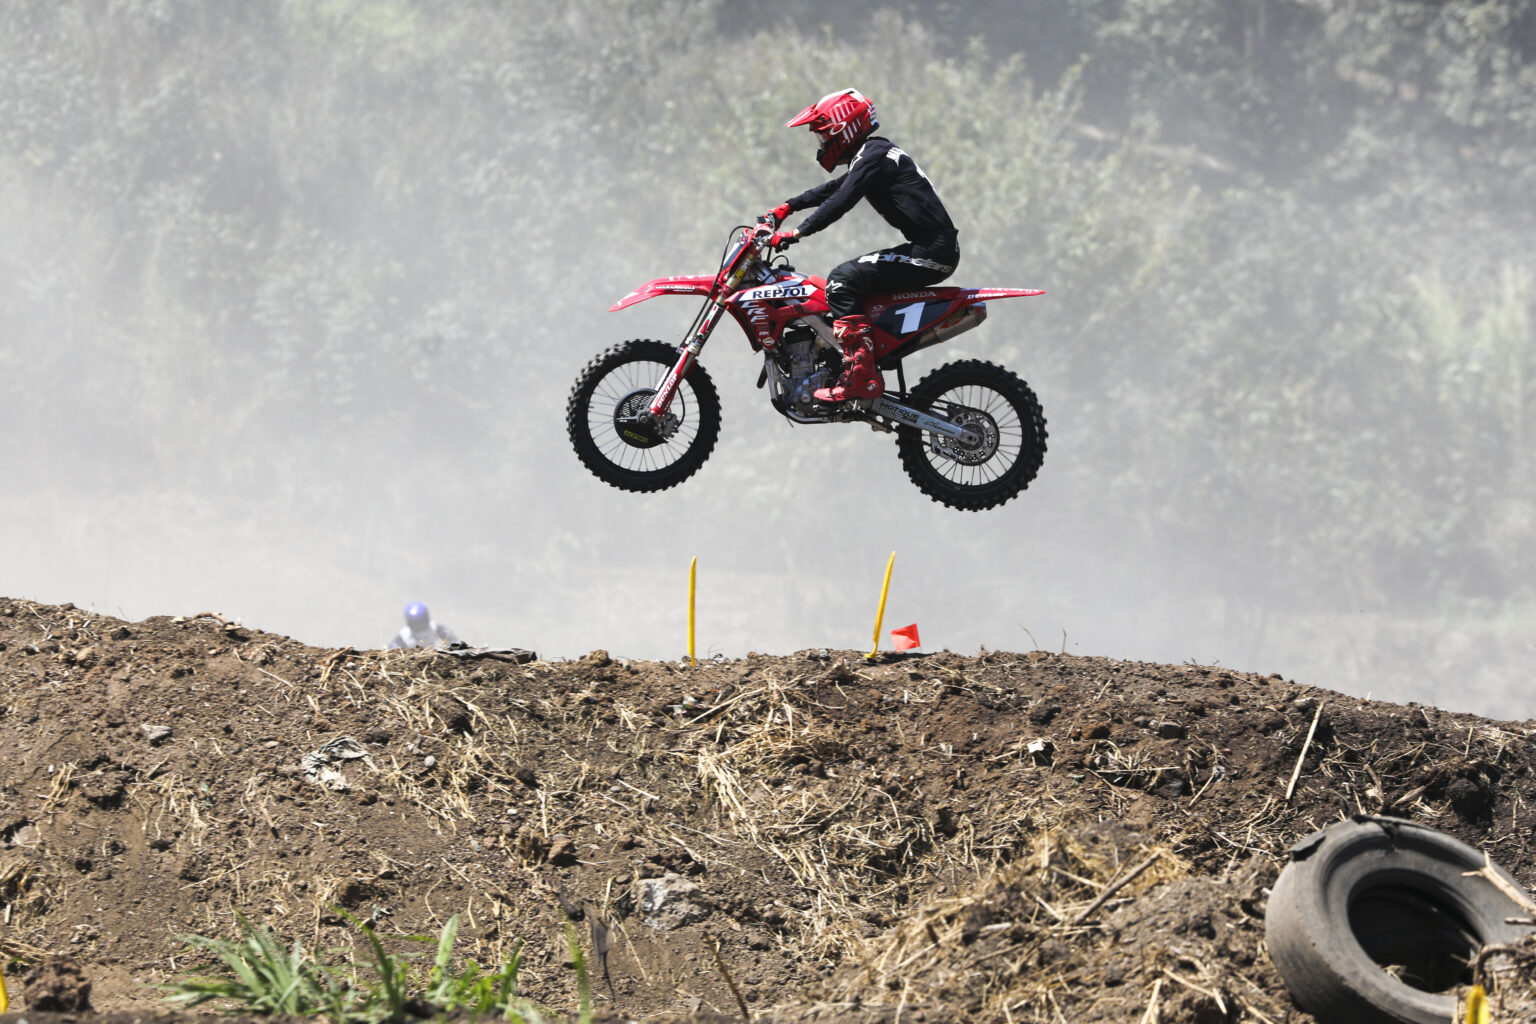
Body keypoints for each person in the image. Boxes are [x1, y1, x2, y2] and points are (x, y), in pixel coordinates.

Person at [761, 88, 960, 403]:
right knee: (846, 282)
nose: (822, 144)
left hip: (933, 251)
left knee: (840, 281)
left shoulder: (874, 154)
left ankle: (862, 376)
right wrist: (787, 207)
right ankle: (854, 360)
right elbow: (835, 187)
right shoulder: (871, 155)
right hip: (930, 247)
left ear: (844, 127)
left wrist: (797, 232)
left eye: (824, 136)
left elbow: (842, 199)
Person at [388, 602, 459, 649]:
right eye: (415, 624)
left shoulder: (434, 628)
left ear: (426, 619)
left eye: (421, 622)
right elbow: (392, 649)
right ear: (409, 623)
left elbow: (451, 637)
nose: (419, 626)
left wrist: (450, 647)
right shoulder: (404, 635)